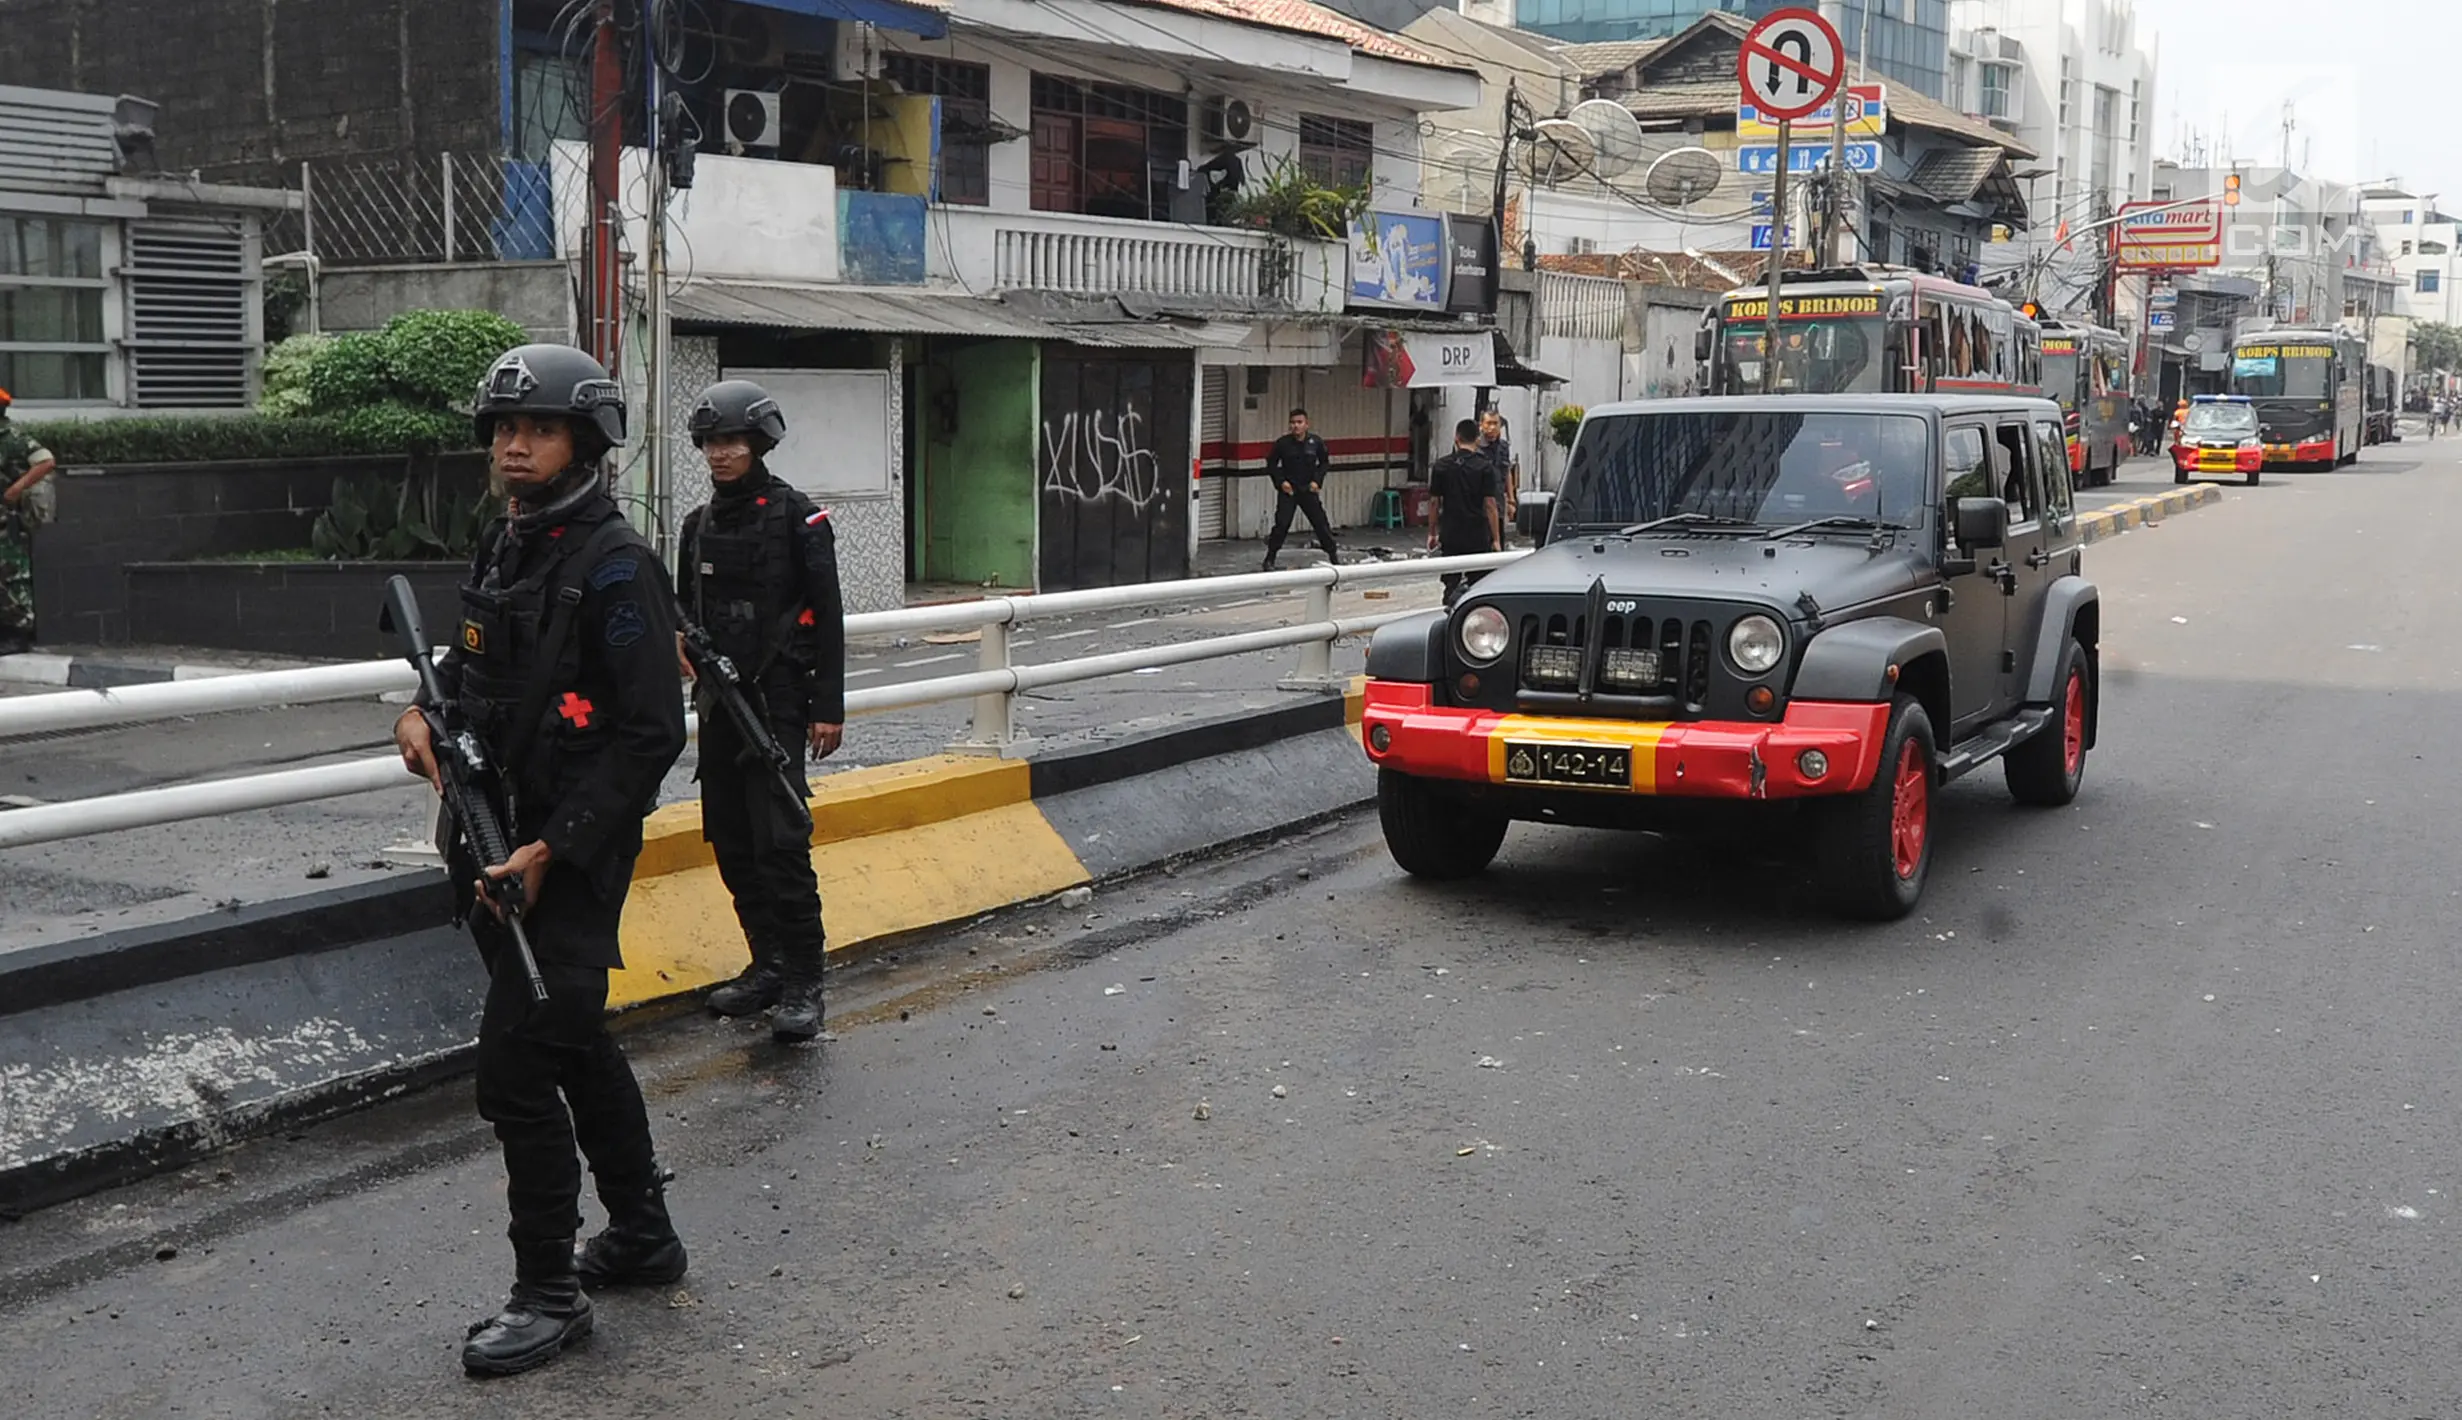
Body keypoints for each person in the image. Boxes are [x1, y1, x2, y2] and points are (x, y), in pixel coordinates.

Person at [392, 344, 690, 1378]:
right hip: (488, 843)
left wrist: (553, 847)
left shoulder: (614, 563)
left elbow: (653, 730)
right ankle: (643, 1234)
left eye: (540, 429)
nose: (514, 445)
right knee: (572, 1043)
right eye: (503, 430)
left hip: (565, 855)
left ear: (585, 442)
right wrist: (423, 720)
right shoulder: (506, 544)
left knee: (516, 1074)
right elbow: (469, 675)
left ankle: (549, 1294)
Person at [676, 379, 846, 1044]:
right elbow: (678, 603)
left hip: (777, 699)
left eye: (733, 441)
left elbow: (828, 619)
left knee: (780, 842)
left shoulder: (797, 519)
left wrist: (827, 708)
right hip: (719, 703)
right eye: (712, 443)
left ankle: (805, 980)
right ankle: (766, 965)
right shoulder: (698, 525)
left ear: (759, 443)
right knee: (732, 838)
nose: (721, 454)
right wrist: (680, 640)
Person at [0, 390, 59, 654]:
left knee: (13, 574)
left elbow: (46, 461)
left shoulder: (12, 437)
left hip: (9, 518)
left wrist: (15, 489)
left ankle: (20, 632)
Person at [1427, 418, 1500, 606]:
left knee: (1450, 584)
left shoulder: (1441, 466)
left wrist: (1432, 532)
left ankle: (1449, 618)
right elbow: (1490, 504)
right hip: (1477, 535)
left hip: (1451, 534)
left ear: (1456, 438)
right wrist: (1496, 538)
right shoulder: (1485, 467)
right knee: (1478, 585)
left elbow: (1434, 502)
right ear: (1477, 439)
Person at [1261, 407, 1338, 571]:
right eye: (1293, 423)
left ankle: (1334, 557)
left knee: (1321, 524)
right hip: (1289, 490)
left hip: (1308, 490)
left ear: (1306, 424)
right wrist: (1281, 482)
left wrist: (1317, 481)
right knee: (1282, 524)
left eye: (1299, 422)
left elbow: (1324, 463)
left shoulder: (1315, 442)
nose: (1296, 426)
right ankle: (1270, 558)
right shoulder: (1283, 444)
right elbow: (1271, 464)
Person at [1477, 409, 1520, 551]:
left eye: (1495, 423)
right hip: (1480, 506)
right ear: (1481, 425)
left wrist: (1511, 500)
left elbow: (1506, 471)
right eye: (1488, 423)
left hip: (1499, 502)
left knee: (1499, 543)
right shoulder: (1476, 447)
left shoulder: (1503, 447)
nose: (1492, 427)